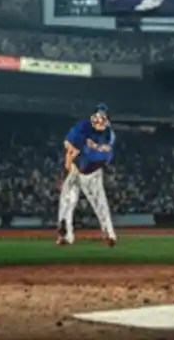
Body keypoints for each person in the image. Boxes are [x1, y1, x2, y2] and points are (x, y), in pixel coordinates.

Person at [56, 104, 118, 246]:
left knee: (100, 204)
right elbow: (68, 144)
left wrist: (93, 146)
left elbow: (105, 152)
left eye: (103, 116)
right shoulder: (82, 126)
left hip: (92, 172)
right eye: (98, 115)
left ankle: (109, 233)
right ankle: (66, 235)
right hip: (76, 169)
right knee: (66, 201)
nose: (99, 118)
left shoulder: (108, 134)